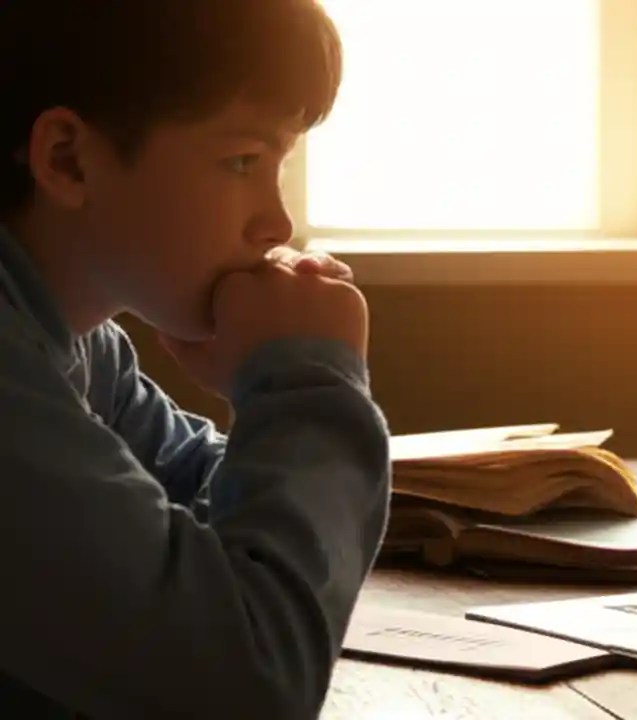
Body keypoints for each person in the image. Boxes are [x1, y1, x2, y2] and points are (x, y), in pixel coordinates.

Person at [0, 3, 390, 717]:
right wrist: (304, 381)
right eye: (242, 160)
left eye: (280, 164)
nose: (276, 222)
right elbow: (247, 684)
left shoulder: (83, 345)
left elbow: (200, 518)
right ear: (66, 158)